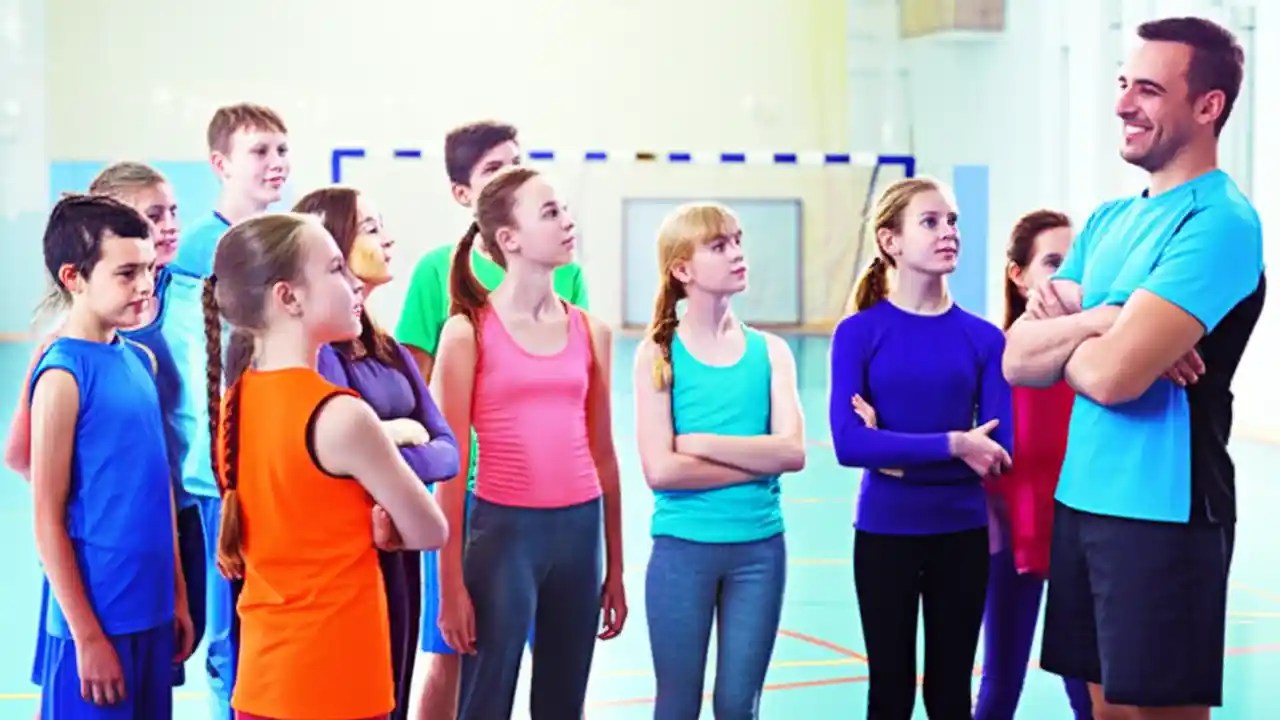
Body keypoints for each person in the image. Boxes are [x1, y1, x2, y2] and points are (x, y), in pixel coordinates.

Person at [1003, 17, 1264, 719]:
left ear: (1208, 107)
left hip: (1165, 511)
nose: (1123, 104)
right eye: (1123, 85)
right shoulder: (1109, 220)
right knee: (1101, 711)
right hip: (1083, 501)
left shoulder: (1220, 223)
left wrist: (1076, 333)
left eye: (1148, 89)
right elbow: (1018, 359)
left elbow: (1115, 380)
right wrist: (1107, 319)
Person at [202, 212, 449, 720]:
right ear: (288, 297)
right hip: (337, 684)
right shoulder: (340, 416)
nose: (353, 281)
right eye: (336, 269)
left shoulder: (236, 402)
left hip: (264, 682)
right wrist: (386, 525)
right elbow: (430, 528)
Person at [395, 120, 589, 720]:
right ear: (465, 197)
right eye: (493, 169)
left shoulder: (568, 278)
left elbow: (570, 380)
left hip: (555, 506)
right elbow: (420, 393)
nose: (511, 172)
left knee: (554, 664)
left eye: (516, 161)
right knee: (456, 653)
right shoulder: (437, 275)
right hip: (474, 502)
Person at [6, 162, 204, 717]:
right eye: (126, 273)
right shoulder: (64, 374)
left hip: (153, 612)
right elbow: (45, 516)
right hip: (97, 623)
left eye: (147, 270)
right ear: (75, 278)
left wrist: (179, 596)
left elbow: (160, 487)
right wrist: (87, 636)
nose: (145, 285)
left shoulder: (137, 357)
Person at [431, 166, 625, 719]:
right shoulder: (467, 332)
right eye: (550, 212)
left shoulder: (591, 331)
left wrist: (615, 568)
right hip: (503, 538)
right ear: (509, 239)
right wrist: (450, 587)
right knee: (485, 700)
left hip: (580, 535)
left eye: (564, 210)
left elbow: (604, 456)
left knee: (564, 705)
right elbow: (450, 467)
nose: (568, 222)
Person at [828, 177, 1012, 719]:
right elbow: (848, 443)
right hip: (886, 535)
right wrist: (954, 444)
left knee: (950, 694)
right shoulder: (859, 334)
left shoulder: (983, 339)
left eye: (952, 220)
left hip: (961, 535)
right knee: (889, 692)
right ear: (891, 241)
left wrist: (895, 453)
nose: (948, 232)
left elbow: (1001, 450)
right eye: (930, 222)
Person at [633, 202, 805, 717]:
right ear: (682, 270)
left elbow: (792, 452)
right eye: (719, 245)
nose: (737, 254)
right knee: (678, 704)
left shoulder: (771, 351)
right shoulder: (658, 355)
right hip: (683, 552)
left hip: (759, 552)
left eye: (737, 241)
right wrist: (758, 459)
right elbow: (661, 471)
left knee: (738, 705)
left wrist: (700, 443)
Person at [296, 186, 461, 720]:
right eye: (370, 227)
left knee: (397, 685)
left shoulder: (387, 347)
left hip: (401, 545)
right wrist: (397, 440)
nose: (387, 238)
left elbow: (448, 451)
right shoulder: (321, 353)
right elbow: (339, 465)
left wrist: (390, 447)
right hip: (356, 553)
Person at [161, 102, 290, 720]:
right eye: (258, 151)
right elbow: (200, 377)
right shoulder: (202, 254)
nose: (275, 163)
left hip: (275, 467)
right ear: (220, 164)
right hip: (224, 476)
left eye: (281, 150)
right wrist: (218, 470)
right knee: (230, 633)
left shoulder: (274, 241)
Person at [974, 209, 1091, 720]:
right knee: (1000, 684)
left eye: (1075, 264)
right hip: (1009, 534)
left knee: (1087, 690)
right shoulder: (996, 356)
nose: (1065, 277)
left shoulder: (1098, 360)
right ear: (1018, 276)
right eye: (1052, 262)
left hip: (1080, 539)